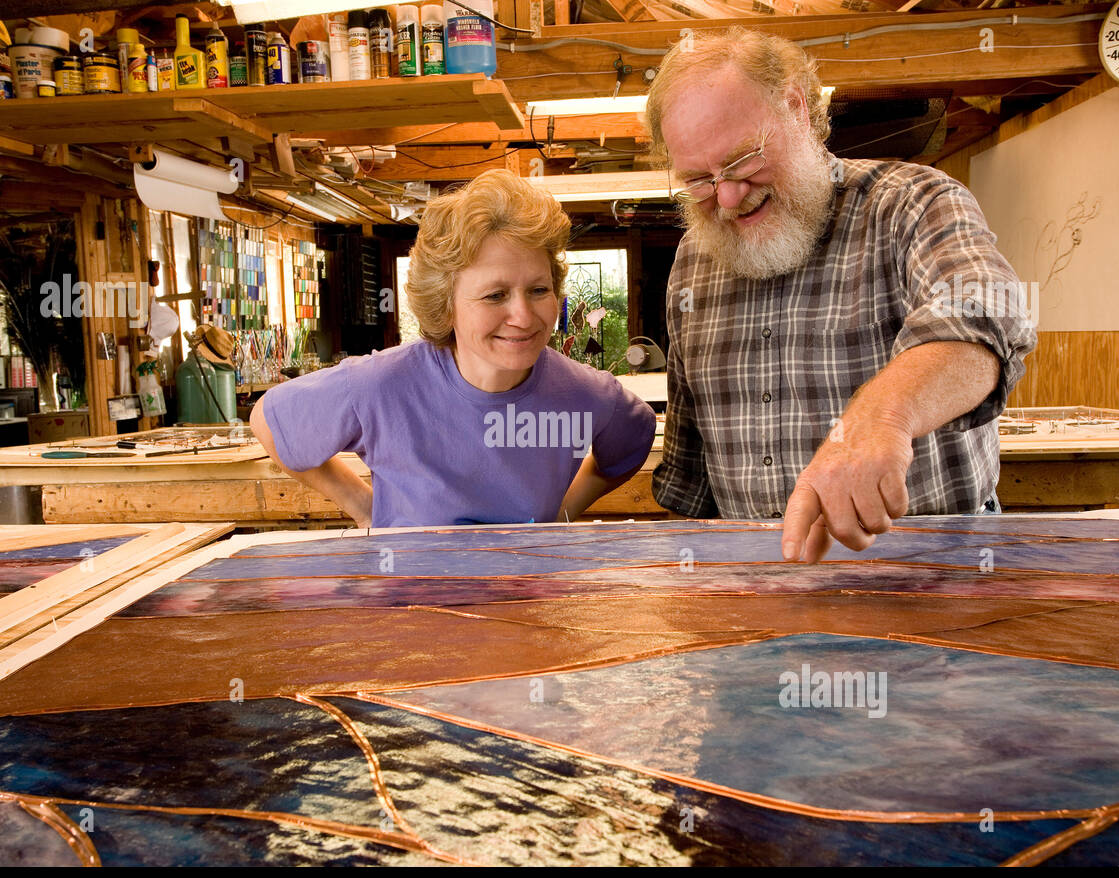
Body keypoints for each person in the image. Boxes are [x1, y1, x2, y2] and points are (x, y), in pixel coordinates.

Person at [645, 27, 1036, 563]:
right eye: (699, 179)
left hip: (934, 579)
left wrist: (883, 416)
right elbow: (692, 478)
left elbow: (984, 319)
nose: (729, 196)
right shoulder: (693, 260)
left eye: (741, 161)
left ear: (796, 108)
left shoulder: (910, 205)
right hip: (763, 590)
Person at [251, 169, 657, 528]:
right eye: (495, 295)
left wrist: (563, 513)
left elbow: (632, 437)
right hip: (411, 599)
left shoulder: (586, 394)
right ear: (445, 307)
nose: (523, 315)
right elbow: (270, 421)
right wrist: (362, 506)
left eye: (538, 290)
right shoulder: (379, 384)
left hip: (532, 595)